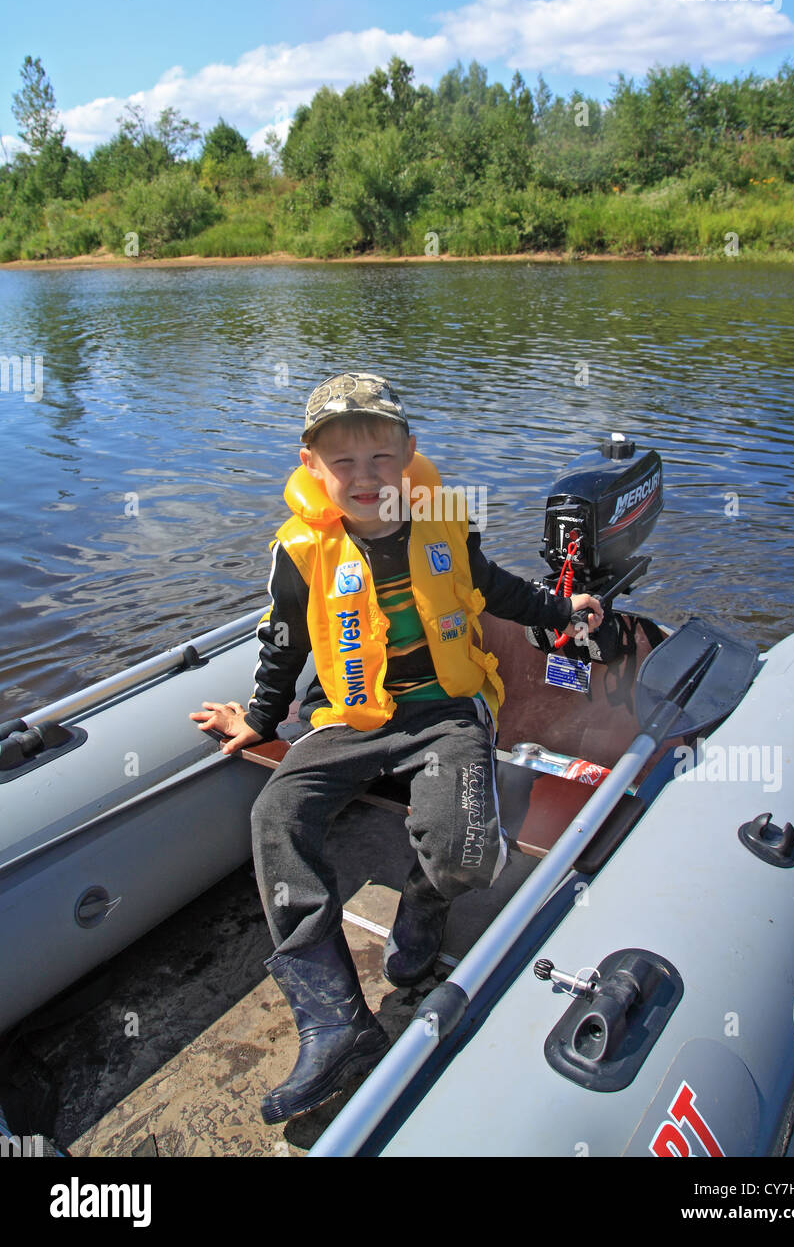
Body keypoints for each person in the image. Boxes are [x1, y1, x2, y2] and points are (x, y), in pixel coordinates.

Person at [191, 372, 602, 1124]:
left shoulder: (442, 519)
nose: (366, 477)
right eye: (342, 461)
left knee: (464, 849)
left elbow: (490, 586)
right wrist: (260, 717)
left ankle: (423, 905)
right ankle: (333, 1021)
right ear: (312, 465)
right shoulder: (299, 549)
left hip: (445, 709)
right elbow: (283, 643)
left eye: (381, 456)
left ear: (408, 453)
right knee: (277, 816)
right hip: (351, 715)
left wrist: (559, 611)